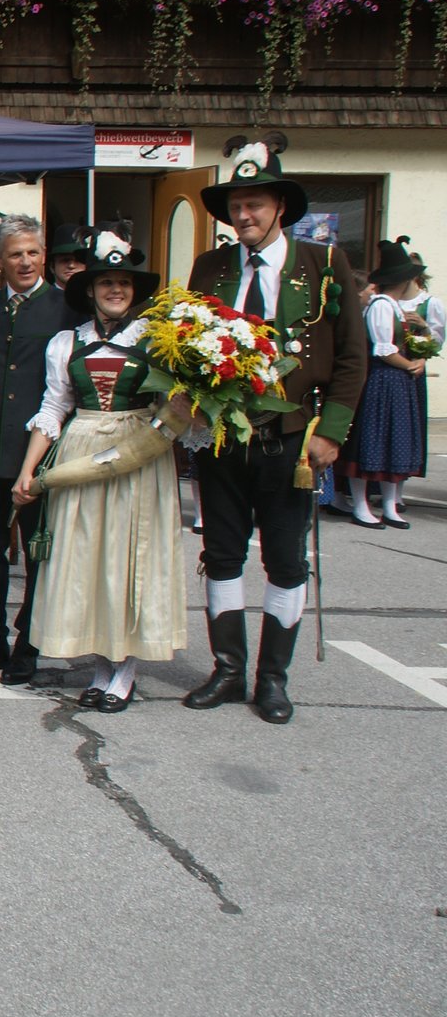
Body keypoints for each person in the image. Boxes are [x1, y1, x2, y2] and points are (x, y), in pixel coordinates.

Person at [182, 133, 365, 725]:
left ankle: (273, 679)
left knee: (285, 561)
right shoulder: (209, 267)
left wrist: (331, 432)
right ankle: (229, 670)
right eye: (237, 205)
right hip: (223, 439)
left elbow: (352, 358)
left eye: (256, 203)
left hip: (294, 439)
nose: (246, 214)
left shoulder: (324, 264)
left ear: (279, 207)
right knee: (223, 553)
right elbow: (186, 349)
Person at [13, 225, 187, 711]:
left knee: (128, 559)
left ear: (134, 292)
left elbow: (176, 407)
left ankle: (124, 668)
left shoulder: (158, 341)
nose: (115, 289)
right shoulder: (67, 343)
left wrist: (166, 426)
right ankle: (100, 666)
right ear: (90, 289)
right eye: (106, 282)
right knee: (87, 562)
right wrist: (28, 472)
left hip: (138, 458)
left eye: (124, 283)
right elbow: (53, 410)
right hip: (81, 455)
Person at [0, 215, 75, 685]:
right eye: (14, 254)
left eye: (32, 252)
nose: (24, 261)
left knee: (39, 554)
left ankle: (29, 646)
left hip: (43, 455)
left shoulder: (66, 309)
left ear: (43, 256)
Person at [338, 238, 432, 529]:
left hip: (396, 381)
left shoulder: (392, 305)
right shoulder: (380, 305)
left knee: (395, 443)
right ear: (403, 279)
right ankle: (362, 506)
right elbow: (382, 348)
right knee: (372, 441)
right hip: (382, 381)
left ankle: (390, 506)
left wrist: (419, 356)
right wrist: (411, 364)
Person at [47, 223, 88, 289]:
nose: (71, 265)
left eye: (78, 260)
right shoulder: (40, 299)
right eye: (65, 260)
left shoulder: (96, 298)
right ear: (52, 267)